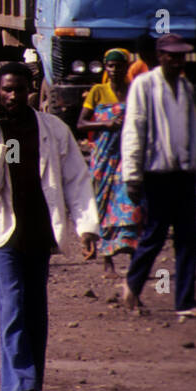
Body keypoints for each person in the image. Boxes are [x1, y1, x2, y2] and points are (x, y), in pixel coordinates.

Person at [0, 62, 99, 391]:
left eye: (19, 89)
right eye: (6, 89)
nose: (12, 96)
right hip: (4, 232)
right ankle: (17, 387)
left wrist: (87, 227)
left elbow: (76, 178)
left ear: (31, 88)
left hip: (39, 229)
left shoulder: (52, 129)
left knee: (36, 311)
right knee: (12, 306)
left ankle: (31, 386)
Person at [120, 34, 196, 317]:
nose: (177, 60)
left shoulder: (184, 87)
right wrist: (132, 174)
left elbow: (191, 129)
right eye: (172, 55)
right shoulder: (144, 85)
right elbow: (134, 129)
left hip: (182, 172)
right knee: (154, 235)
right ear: (160, 56)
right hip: (155, 173)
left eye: (181, 56)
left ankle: (185, 302)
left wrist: (194, 163)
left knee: (188, 239)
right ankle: (132, 284)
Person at [76, 49, 142, 278]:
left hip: (127, 155)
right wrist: (105, 125)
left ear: (126, 68)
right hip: (103, 156)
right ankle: (108, 261)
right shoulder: (97, 91)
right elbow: (81, 123)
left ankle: (134, 257)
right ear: (105, 68)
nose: (114, 70)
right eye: (110, 66)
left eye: (119, 66)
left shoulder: (134, 91)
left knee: (130, 203)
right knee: (102, 204)